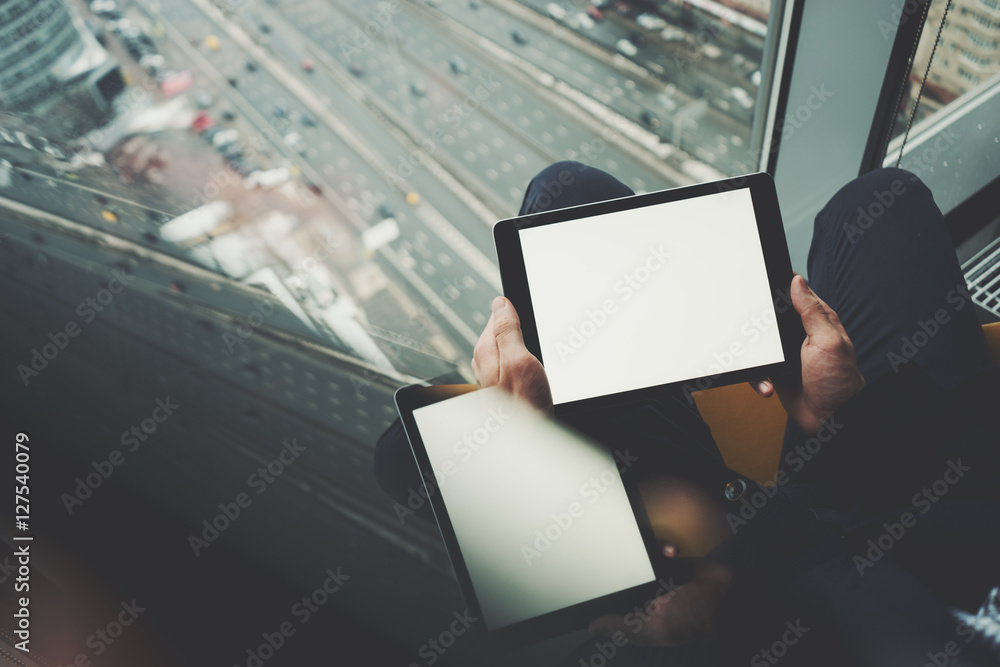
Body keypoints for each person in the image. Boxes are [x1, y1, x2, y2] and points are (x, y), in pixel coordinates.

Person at [377, 162, 1000, 666]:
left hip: (780, 584)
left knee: (407, 456)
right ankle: (620, 416)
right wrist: (840, 415)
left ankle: (613, 425)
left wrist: (720, 591)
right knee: (882, 201)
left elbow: (811, 577)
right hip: (928, 524)